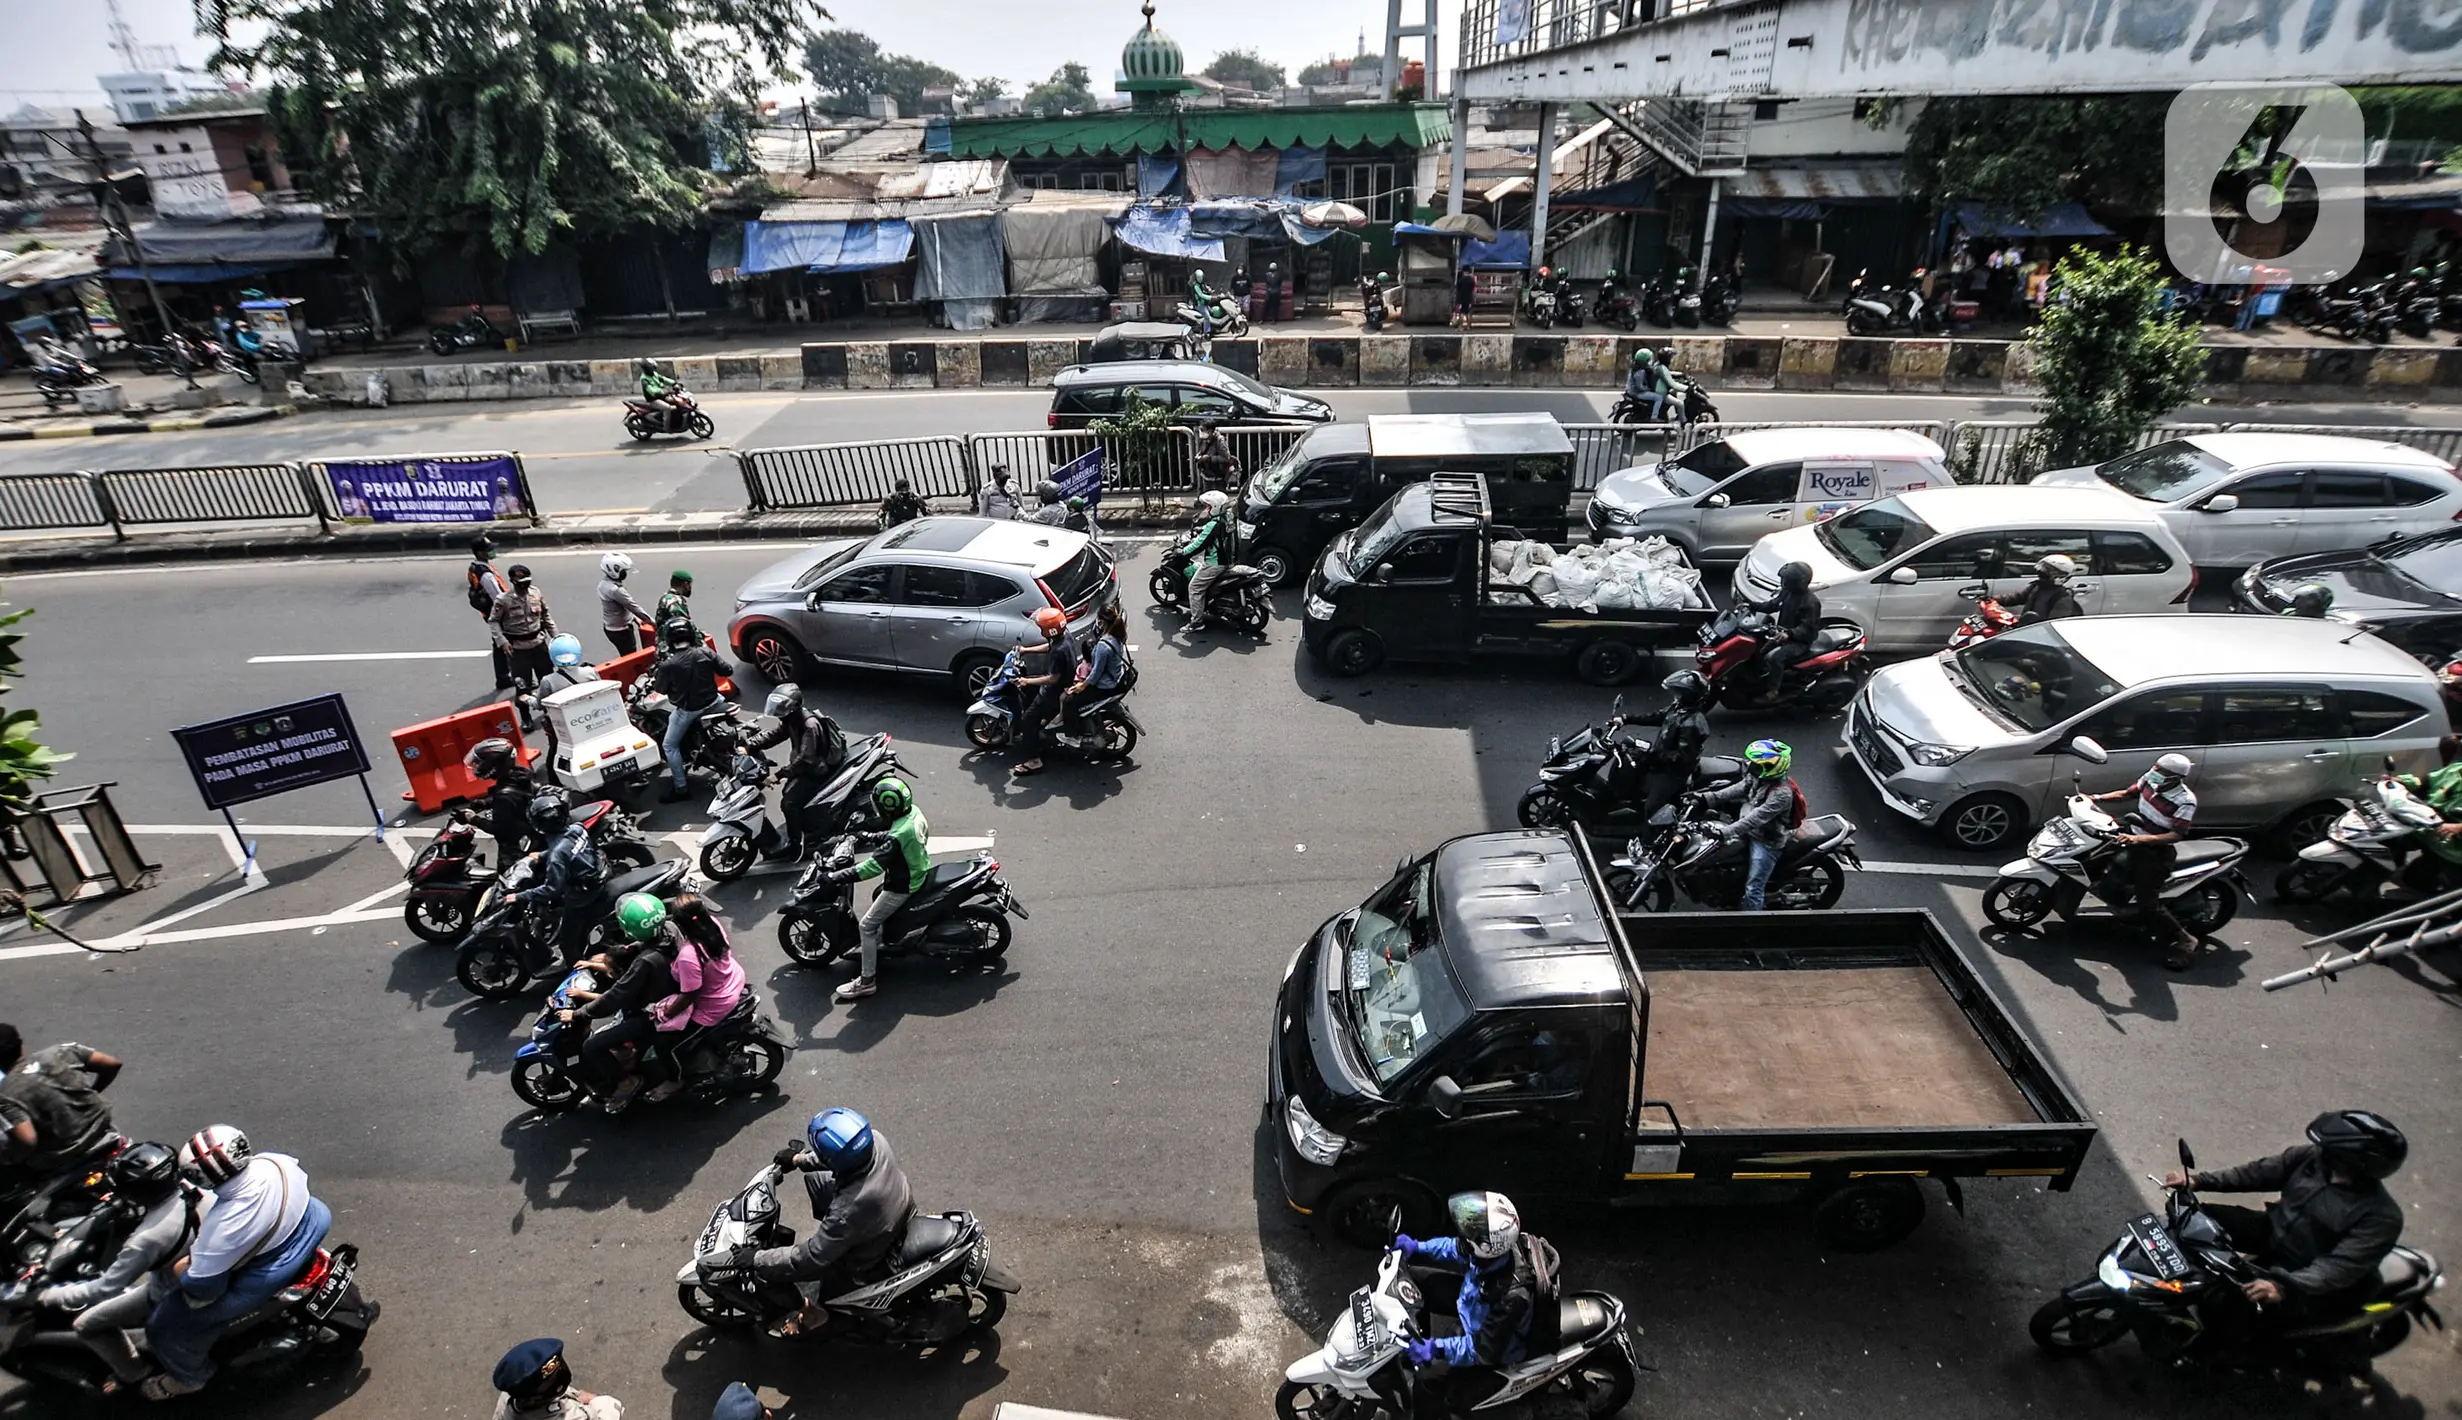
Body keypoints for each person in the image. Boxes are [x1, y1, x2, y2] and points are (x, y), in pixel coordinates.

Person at [2161, 1110, 2407, 1330]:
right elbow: (2258, 1173)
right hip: (2273, 1233)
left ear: (2355, 1162)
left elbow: (2336, 1268)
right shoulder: (2312, 1159)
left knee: (2230, 1307)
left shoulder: (2380, 1218)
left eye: (2333, 1151)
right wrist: (2198, 1181)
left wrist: (2282, 1287)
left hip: (2303, 1273)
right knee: (2195, 1220)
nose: (2321, 1151)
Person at [143, 1126, 331, 1399]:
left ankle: (190, 1377)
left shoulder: (223, 1226)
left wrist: (183, 1270)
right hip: (310, 1228)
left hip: (271, 1271)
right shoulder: (275, 1161)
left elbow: (204, 1288)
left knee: (164, 1326)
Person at [35, 1142, 202, 1391]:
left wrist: (47, 1295)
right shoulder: (199, 1189)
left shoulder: (147, 1239)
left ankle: (134, 1374)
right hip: (205, 1269)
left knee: (87, 1325)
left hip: (171, 1291)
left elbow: (103, 1289)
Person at [730, 1108, 913, 1335]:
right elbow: (839, 1159)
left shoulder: (846, 1211)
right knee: (817, 1182)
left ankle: (813, 1313)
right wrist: (799, 1160)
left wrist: (757, 1258)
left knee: (768, 1273)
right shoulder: (875, 1140)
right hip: (894, 1206)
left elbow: (811, 1256)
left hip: (869, 1254)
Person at [1390, 1191, 1558, 1412]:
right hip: (1474, 1303)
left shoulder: (1512, 1297)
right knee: (1417, 1280)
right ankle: (1416, 1341)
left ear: (1487, 1247)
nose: (1463, 1239)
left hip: (1489, 1345)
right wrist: (1418, 1247)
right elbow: (1455, 1248)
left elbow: (1482, 1350)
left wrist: (1436, 1349)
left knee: (1426, 1380)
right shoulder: (1491, 1251)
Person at [564, 893, 681, 1113]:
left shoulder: (644, 963)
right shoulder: (669, 930)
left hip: (649, 1015)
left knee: (592, 1045)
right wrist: (627, 950)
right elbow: (645, 944)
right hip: (665, 996)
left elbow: (615, 996)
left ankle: (626, 1082)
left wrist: (580, 1014)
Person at [2086, 751, 2203, 968]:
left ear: (2175, 777)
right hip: (2132, 832)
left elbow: (2176, 835)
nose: (2155, 772)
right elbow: (2126, 794)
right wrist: (2096, 798)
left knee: (2148, 904)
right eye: (2156, 767)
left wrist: (2138, 839)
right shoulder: (2150, 779)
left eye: (2161, 771)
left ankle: (2186, 939)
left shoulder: (2185, 801)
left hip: (2154, 851)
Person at [822, 779, 929, 1002]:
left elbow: (871, 868)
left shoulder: (897, 838)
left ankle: (866, 981)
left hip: (903, 885)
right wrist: (867, 836)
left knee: (867, 926)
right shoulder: (913, 813)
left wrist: (835, 876)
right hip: (918, 869)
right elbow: (897, 833)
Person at [642, 894, 748, 1103]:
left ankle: (675, 1080)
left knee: (664, 1044)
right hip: (732, 979)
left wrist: (665, 1014)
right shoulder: (713, 926)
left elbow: (690, 995)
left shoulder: (690, 955)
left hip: (713, 1006)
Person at [0, 1027, 121, 1196]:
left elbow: (27, 1141)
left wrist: (7, 1158)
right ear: (20, 1043)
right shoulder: (60, 1052)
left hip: (63, 1159)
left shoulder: (5, 1095)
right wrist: (94, 1092)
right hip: (104, 1132)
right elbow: (112, 1064)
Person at [512, 791, 610, 971]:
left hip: (583, 896)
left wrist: (520, 896)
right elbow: (569, 848)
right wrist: (541, 856)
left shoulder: (557, 856)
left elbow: (551, 890)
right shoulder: (577, 828)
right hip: (599, 875)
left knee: (567, 942)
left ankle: (578, 973)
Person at [748, 682, 848, 857]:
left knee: (789, 804)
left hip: (815, 770)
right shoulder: (792, 721)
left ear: (792, 709)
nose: (779, 716)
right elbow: (775, 735)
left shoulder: (809, 725)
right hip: (804, 767)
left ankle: (797, 843)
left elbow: (805, 759)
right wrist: (749, 745)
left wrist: (778, 775)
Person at [1704, 739, 1798, 911]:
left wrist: (1725, 833)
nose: (1751, 767)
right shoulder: (1757, 777)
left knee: (1753, 888)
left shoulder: (1782, 794)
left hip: (1766, 840)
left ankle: (1753, 926)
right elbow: (1739, 788)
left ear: (1772, 768)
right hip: (1749, 828)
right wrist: (1708, 798)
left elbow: (1754, 820)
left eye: (1758, 764)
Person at [653, 620, 731, 803]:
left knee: (669, 746)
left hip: (691, 710)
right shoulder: (704, 652)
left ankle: (681, 788)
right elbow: (727, 669)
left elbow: (661, 689)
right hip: (716, 701)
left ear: (670, 640)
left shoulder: (668, 665)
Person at [1010, 608, 1081, 777]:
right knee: (1029, 693)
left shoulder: (1058, 651)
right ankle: (1037, 735)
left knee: (1027, 719)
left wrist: (1027, 680)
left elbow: (1052, 678)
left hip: (1054, 691)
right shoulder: (1065, 636)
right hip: (1064, 682)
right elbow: (1049, 647)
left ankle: (1034, 760)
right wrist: (1026, 650)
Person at [1638, 670, 1712, 824]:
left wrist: (1653, 754)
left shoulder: (1692, 724)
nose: (1675, 695)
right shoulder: (1678, 708)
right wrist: (1625, 719)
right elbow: (1659, 716)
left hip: (1674, 773)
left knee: (1652, 808)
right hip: (1662, 763)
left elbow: (1682, 758)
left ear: (1688, 696)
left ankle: (1649, 842)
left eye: (1678, 693)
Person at [492, 1337, 624, 1420]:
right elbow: (612, 1409)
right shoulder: (572, 1416)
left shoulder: (509, 1395)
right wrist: (596, 1401)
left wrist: (575, 1395)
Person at [1742, 560, 1822, 686]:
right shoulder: (1787, 592)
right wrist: (1751, 606)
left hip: (1799, 642)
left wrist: (1789, 634)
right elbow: (1773, 605)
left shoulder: (1811, 603)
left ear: (1797, 582)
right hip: (1781, 634)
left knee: (1776, 658)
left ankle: (1773, 690)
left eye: (1787, 580)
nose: (1784, 583)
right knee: (1759, 650)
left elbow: (1806, 628)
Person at [464, 737, 539, 858]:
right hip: (532, 834)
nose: (478, 767)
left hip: (518, 848)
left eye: (481, 763)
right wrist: (486, 803)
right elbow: (516, 797)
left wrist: (473, 819)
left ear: (495, 763)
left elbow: (499, 829)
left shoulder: (503, 797)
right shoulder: (520, 775)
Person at [490, 564, 559, 686]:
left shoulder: (535, 593)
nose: (524, 585)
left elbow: (545, 615)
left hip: (538, 644)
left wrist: (556, 636)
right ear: (512, 581)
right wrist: (502, 641)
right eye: (521, 582)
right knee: (523, 685)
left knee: (548, 680)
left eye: (527, 581)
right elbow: (493, 621)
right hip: (518, 649)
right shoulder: (503, 600)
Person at [1063, 602, 1131, 726]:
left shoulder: (1103, 646)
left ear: (1102, 621)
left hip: (1106, 685)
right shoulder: (1118, 635)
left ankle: (1072, 735)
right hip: (1116, 677)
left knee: (1069, 702)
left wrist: (1082, 686)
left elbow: (1095, 674)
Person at [1176, 491, 1233, 632]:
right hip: (1230, 559)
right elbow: (1215, 533)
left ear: (1214, 507)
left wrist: (1182, 552)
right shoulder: (1228, 517)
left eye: (1208, 506)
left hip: (1216, 563)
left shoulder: (1212, 525)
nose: (1206, 509)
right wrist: (1202, 529)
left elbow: (1198, 545)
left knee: (1194, 588)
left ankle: (1196, 622)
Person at [469, 535, 515, 689]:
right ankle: (515, 676)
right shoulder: (486, 574)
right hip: (498, 613)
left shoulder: (476, 567)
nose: (492, 552)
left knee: (499, 643)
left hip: (491, 612)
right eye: (489, 549)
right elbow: (498, 596)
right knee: (507, 642)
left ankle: (503, 677)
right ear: (480, 552)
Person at [597, 553, 652, 655]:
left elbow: (619, 607)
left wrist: (634, 619)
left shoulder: (603, 585)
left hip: (610, 627)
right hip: (621, 631)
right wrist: (653, 622)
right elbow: (634, 607)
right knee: (630, 657)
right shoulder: (616, 590)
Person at [2015, 554, 2082, 625]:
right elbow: (2016, 598)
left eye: (2048, 571)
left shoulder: (2062, 598)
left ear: (2061, 575)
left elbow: (2055, 623)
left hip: (2039, 631)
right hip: (2027, 628)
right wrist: (2001, 600)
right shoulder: (2036, 587)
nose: (2042, 573)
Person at [1623, 348, 1671, 421]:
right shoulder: (1640, 372)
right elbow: (1640, 387)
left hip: (1631, 390)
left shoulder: (1635, 366)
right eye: (1648, 360)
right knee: (1659, 397)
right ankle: (1654, 417)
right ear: (1644, 361)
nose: (1650, 361)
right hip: (1636, 393)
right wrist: (1649, 389)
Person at [637, 358, 682, 431]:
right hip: (654, 399)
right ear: (647, 368)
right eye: (652, 368)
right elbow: (652, 391)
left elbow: (664, 379)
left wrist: (674, 383)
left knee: (676, 402)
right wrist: (664, 391)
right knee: (667, 408)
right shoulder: (644, 379)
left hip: (662, 396)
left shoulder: (654, 374)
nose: (653, 369)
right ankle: (666, 427)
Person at [1194, 423, 1240, 494]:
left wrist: (1209, 458)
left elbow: (1226, 458)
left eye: (1203, 430)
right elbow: (1203, 451)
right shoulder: (1204, 440)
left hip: (1217, 477)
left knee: (1218, 498)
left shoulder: (1220, 441)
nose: (1201, 432)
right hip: (1206, 474)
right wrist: (1199, 456)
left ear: (1210, 430)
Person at [656, 571, 697, 644]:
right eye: (690, 584)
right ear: (685, 584)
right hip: (672, 648)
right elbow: (684, 626)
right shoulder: (674, 602)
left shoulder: (665, 598)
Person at [1453, 264, 1476, 329]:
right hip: (1469, 298)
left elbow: (1458, 289)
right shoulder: (1471, 280)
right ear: (1469, 271)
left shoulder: (1460, 280)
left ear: (1463, 271)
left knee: (1462, 312)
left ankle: (1461, 326)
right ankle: (1468, 326)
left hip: (1462, 298)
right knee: (1468, 312)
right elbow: (1472, 288)